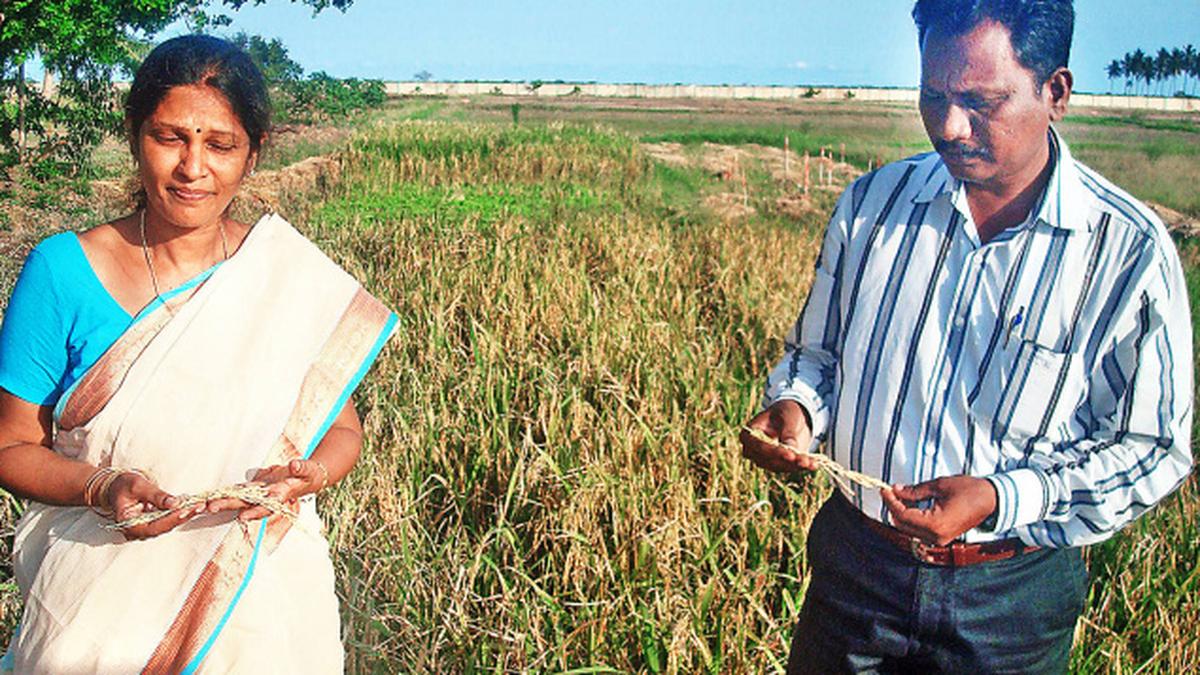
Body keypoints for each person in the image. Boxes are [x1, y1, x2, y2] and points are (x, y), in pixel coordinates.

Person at [739, 1, 1193, 672]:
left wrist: (1002, 496)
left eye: (981, 102)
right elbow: (816, 357)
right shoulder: (873, 207)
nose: (950, 126)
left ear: (1057, 92)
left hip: (1009, 598)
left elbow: (1151, 447)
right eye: (934, 97)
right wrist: (800, 410)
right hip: (856, 573)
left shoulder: (1125, 252)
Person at [0, 35, 396, 672]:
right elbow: (11, 445)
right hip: (98, 608)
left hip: (263, 606)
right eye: (169, 138)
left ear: (252, 154)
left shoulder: (282, 276)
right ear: (134, 136)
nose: (193, 168)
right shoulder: (62, 271)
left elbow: (343, 429)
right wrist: (102, 486)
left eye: (220, 145)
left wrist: (309, 477)